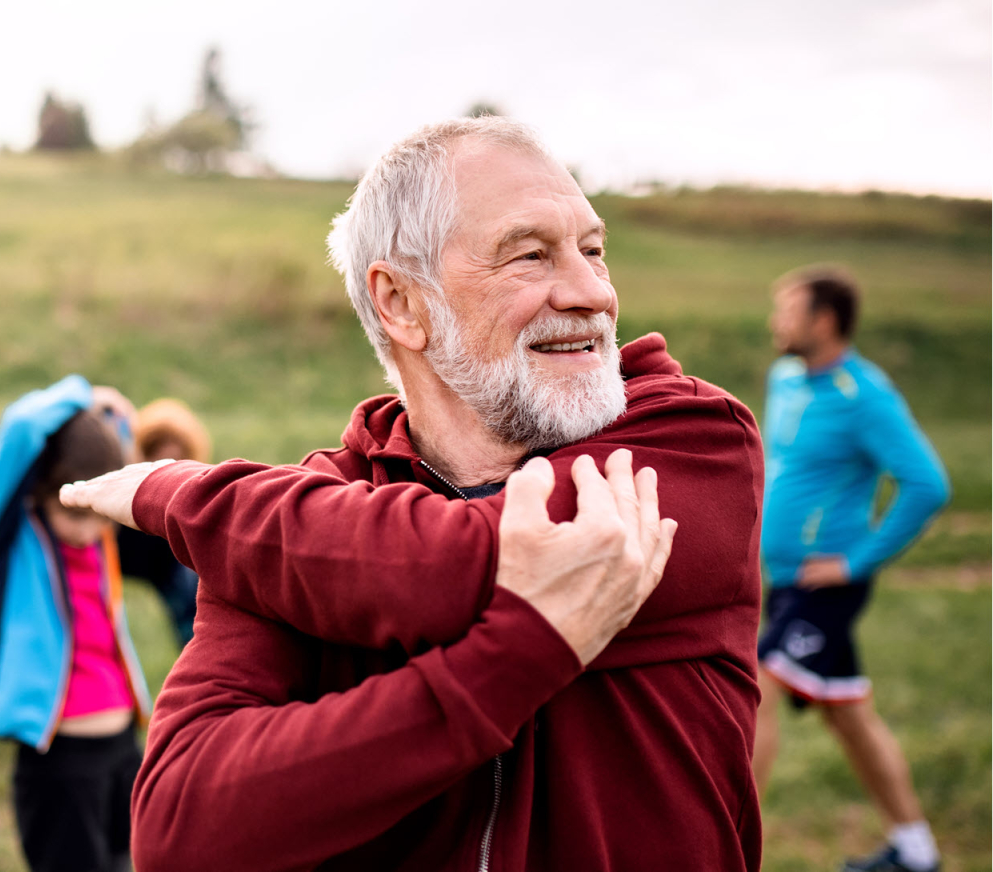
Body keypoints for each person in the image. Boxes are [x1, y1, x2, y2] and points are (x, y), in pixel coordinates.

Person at [60, 116, 765, 870]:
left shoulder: (692, 438)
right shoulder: (302, 519)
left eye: (593, 250)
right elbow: (181, 829)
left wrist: (186, 497)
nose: (593, 291)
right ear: (401, 303)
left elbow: (455, 563)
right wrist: (516, 656)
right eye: (530, 256)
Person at [755, 265, 949, 872]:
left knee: (754, 692)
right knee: (849, 715)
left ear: (825, 320)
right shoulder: (785, 379)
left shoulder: (864, 395)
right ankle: (916, 853)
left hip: (825, 587)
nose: (775, 322)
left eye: (788, 311)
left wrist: (857, 561)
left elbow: (927, 484)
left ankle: (725, 854)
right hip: (784, 581)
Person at [0, 375, 152, 872]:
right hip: (61, 758)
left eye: (97, 515)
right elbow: (21, 425)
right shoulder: (4, 542)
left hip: (124, 743)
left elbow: (121, 453)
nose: (90, 530)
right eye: (75, 514)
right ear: (42, 488)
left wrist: (114, 419)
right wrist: (86, 393)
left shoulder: (99, 537)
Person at [115, 398, 208, 646]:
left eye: (176, 465)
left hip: (163, 561)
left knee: (194, 612)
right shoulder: (115, 492)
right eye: (155, 462)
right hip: (119, 550)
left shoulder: (187, 507)